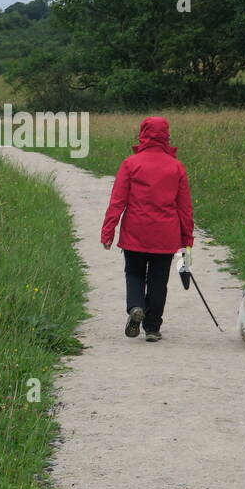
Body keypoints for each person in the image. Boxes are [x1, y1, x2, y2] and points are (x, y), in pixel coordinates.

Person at [100, 116, 194, 342]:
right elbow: (184, 208)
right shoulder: (176, 167)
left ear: (142, 135)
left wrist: (108, 230)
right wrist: (186, 239)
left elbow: (117, 201)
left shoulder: (131, 163)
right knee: (158, 280)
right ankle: (152, 327)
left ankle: (135, 307)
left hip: (135, 232)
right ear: (166, 136)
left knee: (134, 273)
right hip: (166, 235)